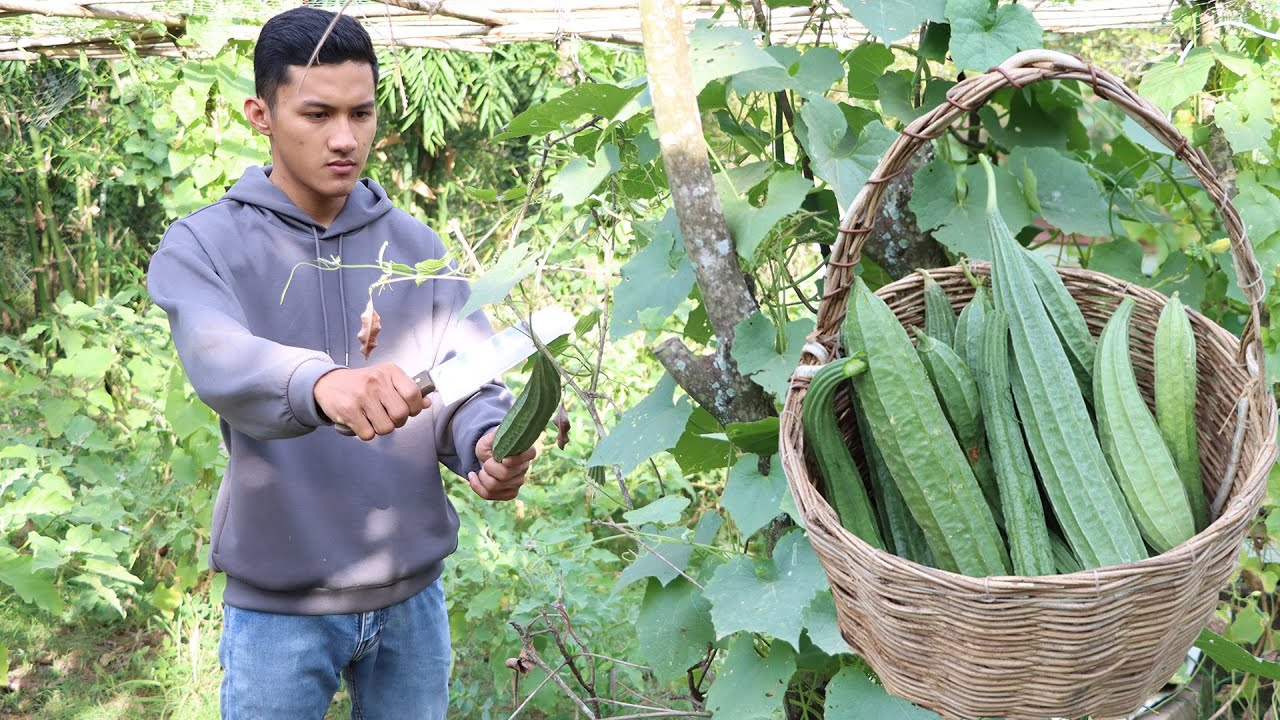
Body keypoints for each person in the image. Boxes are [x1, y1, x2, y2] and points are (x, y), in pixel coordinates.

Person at [146, 7, 536, 718]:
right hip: (279, 607)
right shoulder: (203, 247)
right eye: (318, 113)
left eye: (362, 113)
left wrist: (487, 438)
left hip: (413, 598)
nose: (344, 138)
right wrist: (321, 383)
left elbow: (466, 378)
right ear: (260, 113)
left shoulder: (414, 247)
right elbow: (219, 358)